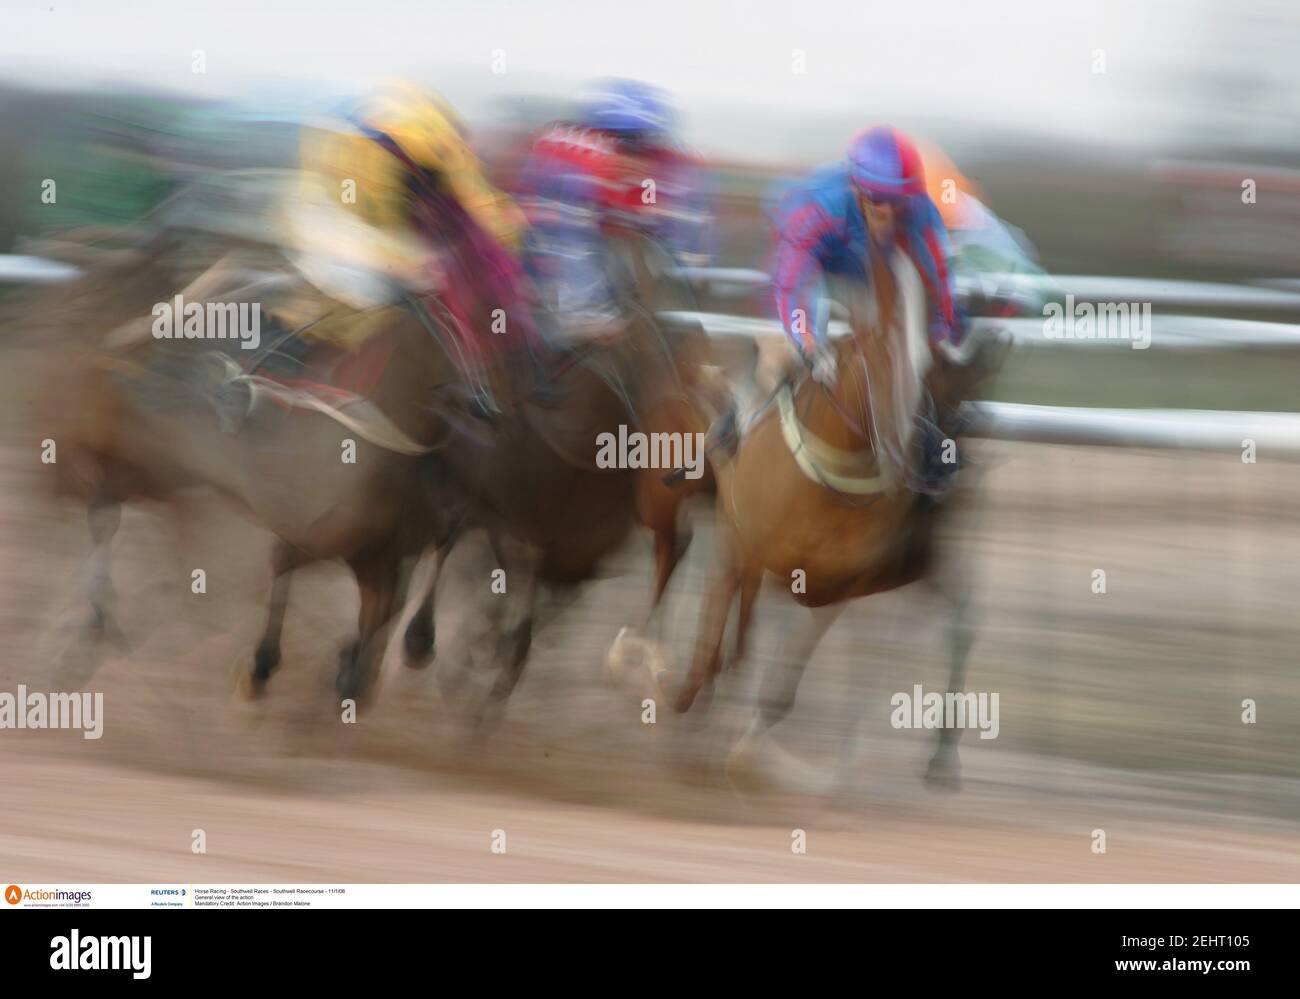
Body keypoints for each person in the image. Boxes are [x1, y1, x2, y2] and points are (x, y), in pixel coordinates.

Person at [514, 79, 711, 338]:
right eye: (618, 142)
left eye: (640, 145)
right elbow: (568, 250)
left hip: (608, 252)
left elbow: (690, 255)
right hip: (544, 256)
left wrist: (686, 298)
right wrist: (588, 314)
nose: (630, 156)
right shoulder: (566, 169)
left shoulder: (677, 172)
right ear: (594, 136)